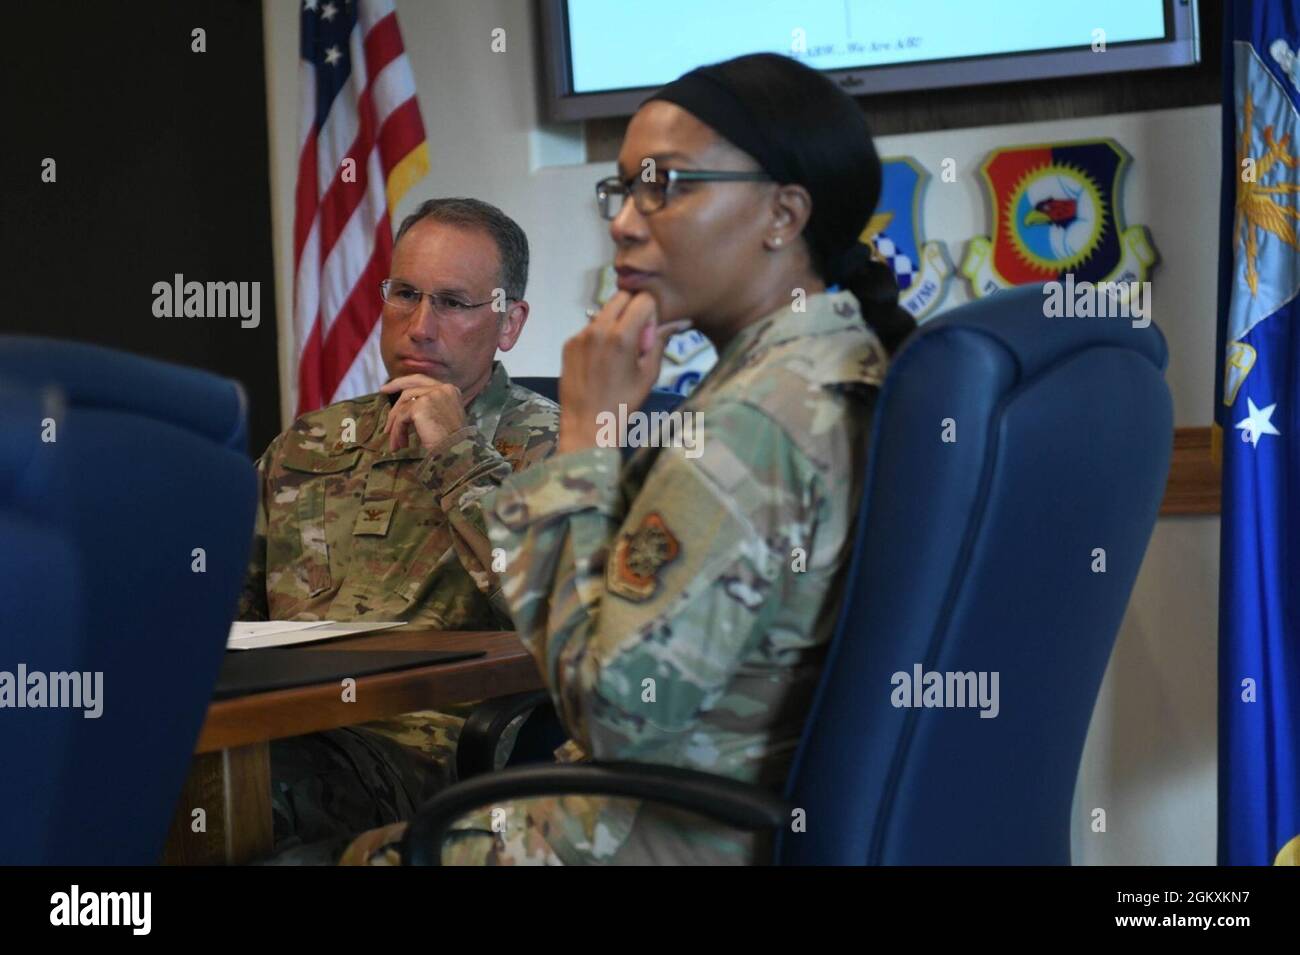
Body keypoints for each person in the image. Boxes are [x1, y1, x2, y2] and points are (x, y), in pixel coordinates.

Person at [341, 51, 916, 866]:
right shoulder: (835, 364)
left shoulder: (753, 423)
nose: (623, 220)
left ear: (784, 214)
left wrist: (586, 436)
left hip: (654, 837)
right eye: (624, 189)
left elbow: (610, 710)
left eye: (667, 186)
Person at [239, 198, 559, 853]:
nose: (419, 326)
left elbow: (559, 610)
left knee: (217, 796)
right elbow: (217, 605)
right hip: (275, 723)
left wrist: (456, 451)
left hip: (423, 755)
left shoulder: (555, 447)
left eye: (452, 302)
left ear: (508, 323)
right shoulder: (310, 441)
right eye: (405, 294)